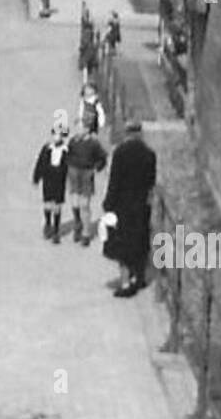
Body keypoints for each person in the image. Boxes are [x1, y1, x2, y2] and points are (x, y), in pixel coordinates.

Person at [101, 118, 157, 297]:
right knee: (139, 242)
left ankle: (125, 284)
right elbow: (151, 181)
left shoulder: (120, 153)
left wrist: (108, 203)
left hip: (123, 205)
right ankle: (139, 277)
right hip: (141, 204)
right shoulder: (149, 154)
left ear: (127, 133)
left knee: (122, 245)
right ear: (140, 133)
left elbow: (114, 181)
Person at [65, 125, 108, 245]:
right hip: (74, 172)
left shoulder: (94, 143)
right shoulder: (73, 141)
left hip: (87, 173)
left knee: (85, 204)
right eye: (77, 127)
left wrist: (97, 168)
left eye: (81, 128)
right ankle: (77, 222)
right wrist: (67, 165)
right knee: (75, 201)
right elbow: (66, 154)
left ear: (87, 130)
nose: (78, 130)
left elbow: (103, 157)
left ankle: (86, 232)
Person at [31, 121, 70, 242]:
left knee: (57, 205)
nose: (56, 137)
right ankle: (48, 224)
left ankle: (56, 230)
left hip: (59, 179)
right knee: (48, 203)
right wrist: (36, 177)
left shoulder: (66, 150)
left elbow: (69, 166)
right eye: (54, 134)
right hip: (48, 178)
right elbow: (40, 163)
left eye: (59, 135)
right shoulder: (47, 148)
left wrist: (70, 180)